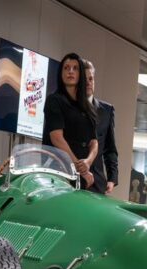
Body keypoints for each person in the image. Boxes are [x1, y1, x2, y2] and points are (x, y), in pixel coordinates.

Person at [43, 53, 97, 190]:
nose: (70, 71)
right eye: (66, 68)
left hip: (81, 175)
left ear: (81, 75)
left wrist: (88, 162)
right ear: (61, 74)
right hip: (57, 172)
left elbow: (94, 141)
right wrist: (78, 167)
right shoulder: (54, 100)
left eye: (75, 68)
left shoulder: (87, 106)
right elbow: (57, 138)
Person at [84, 61, 118, 195]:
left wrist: (112, 178)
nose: (88, 82)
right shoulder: (68, 108)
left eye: (91, 79)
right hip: (72, 179)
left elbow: (111, 148)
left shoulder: (107, 110)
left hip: (97, 182)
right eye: (84, 79)